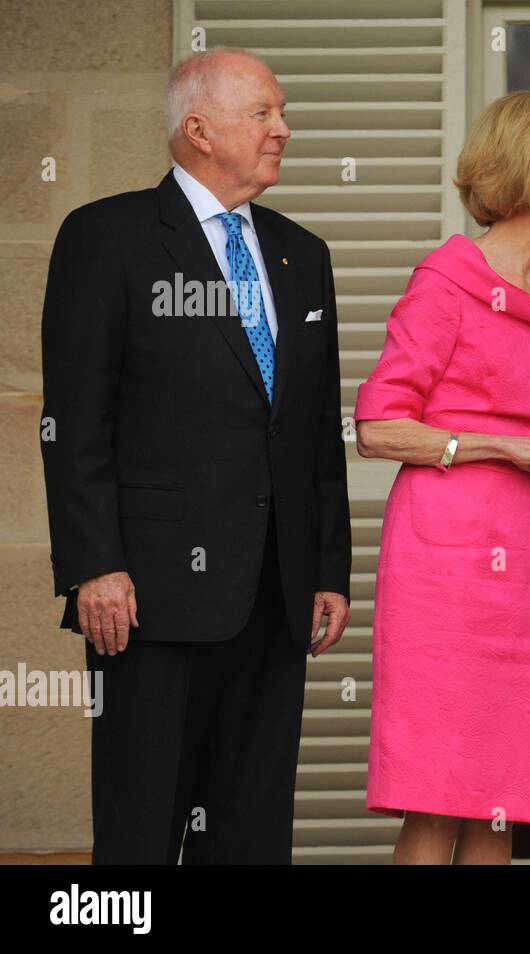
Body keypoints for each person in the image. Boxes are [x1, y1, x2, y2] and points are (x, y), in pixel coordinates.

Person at [39, 48, 352, 864]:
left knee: (251, 834)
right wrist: (94, 565)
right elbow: (74, 421)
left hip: (275, 593)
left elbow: (315, 430)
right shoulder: (106, 238)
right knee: (142, 829)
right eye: (264, 113)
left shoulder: (302, 253)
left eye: (282, 113)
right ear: (199, 129)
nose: (283, 129)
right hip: (148, 596)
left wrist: (327, 566)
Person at [355, 90, 530, 865]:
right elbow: (377, 426)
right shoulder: (447, 282)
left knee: (503, 808)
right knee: (437, 802)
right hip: (447, 575)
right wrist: (497, 447)